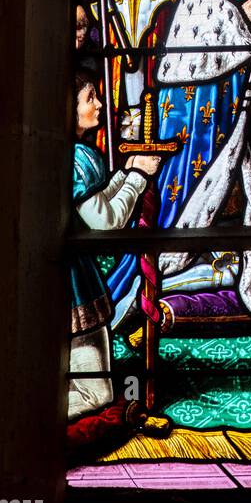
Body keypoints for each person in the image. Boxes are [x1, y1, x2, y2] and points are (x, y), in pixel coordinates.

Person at [107, 0, 251, 328]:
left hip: (189, 148)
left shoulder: (195, 6)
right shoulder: (222, 12)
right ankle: (164, 291)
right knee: (188, 240)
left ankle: (173, 285)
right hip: (209, 148)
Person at [68, 73, 167, 450]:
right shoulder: (74, 159)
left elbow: (102, 197)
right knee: (96, 397)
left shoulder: (82, 154)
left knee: (101, 393)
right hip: (73, 289)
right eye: (89, 98)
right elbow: (104, 221)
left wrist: (127, 172)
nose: (98, 105)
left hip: (83, 284)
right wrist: (139, 176)